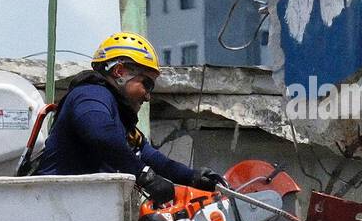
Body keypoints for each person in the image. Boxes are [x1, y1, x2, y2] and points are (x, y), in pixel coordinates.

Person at [34, 32, 224, 203]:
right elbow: (100, 134)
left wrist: (192, 177)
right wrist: (144, 175)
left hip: (77, 206)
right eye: (147, 84)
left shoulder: (116, 115)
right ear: (120, 72)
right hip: (52, 204)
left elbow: (151, 157)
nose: (148, 96)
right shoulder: (90, 94)